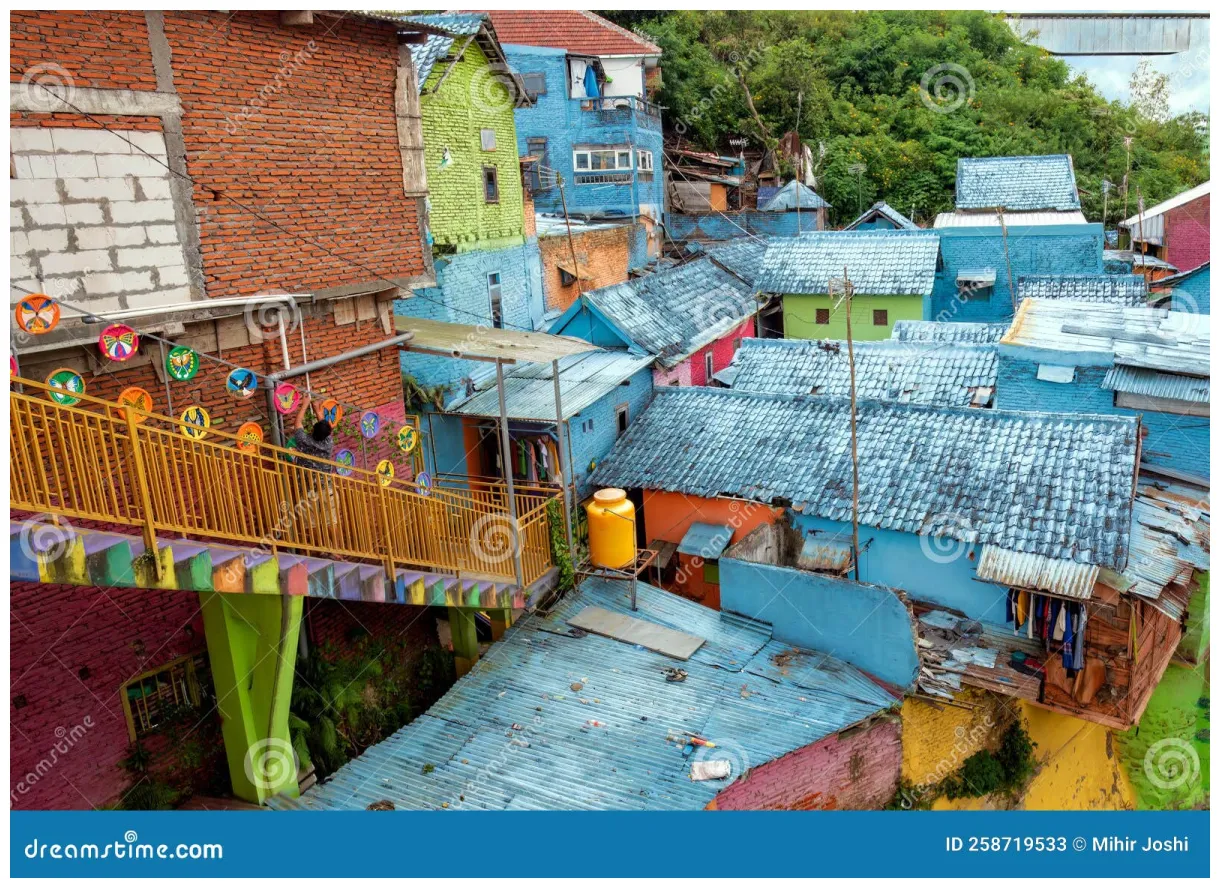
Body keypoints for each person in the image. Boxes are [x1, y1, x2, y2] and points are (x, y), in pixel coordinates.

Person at [290, 395, 334, 473]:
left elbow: (297, 423)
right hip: (324, 482)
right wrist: (317, 410)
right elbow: (324, 428)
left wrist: (304, 405)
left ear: (313, 429)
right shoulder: (329, 443)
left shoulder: (304, 440)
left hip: (304, 481)